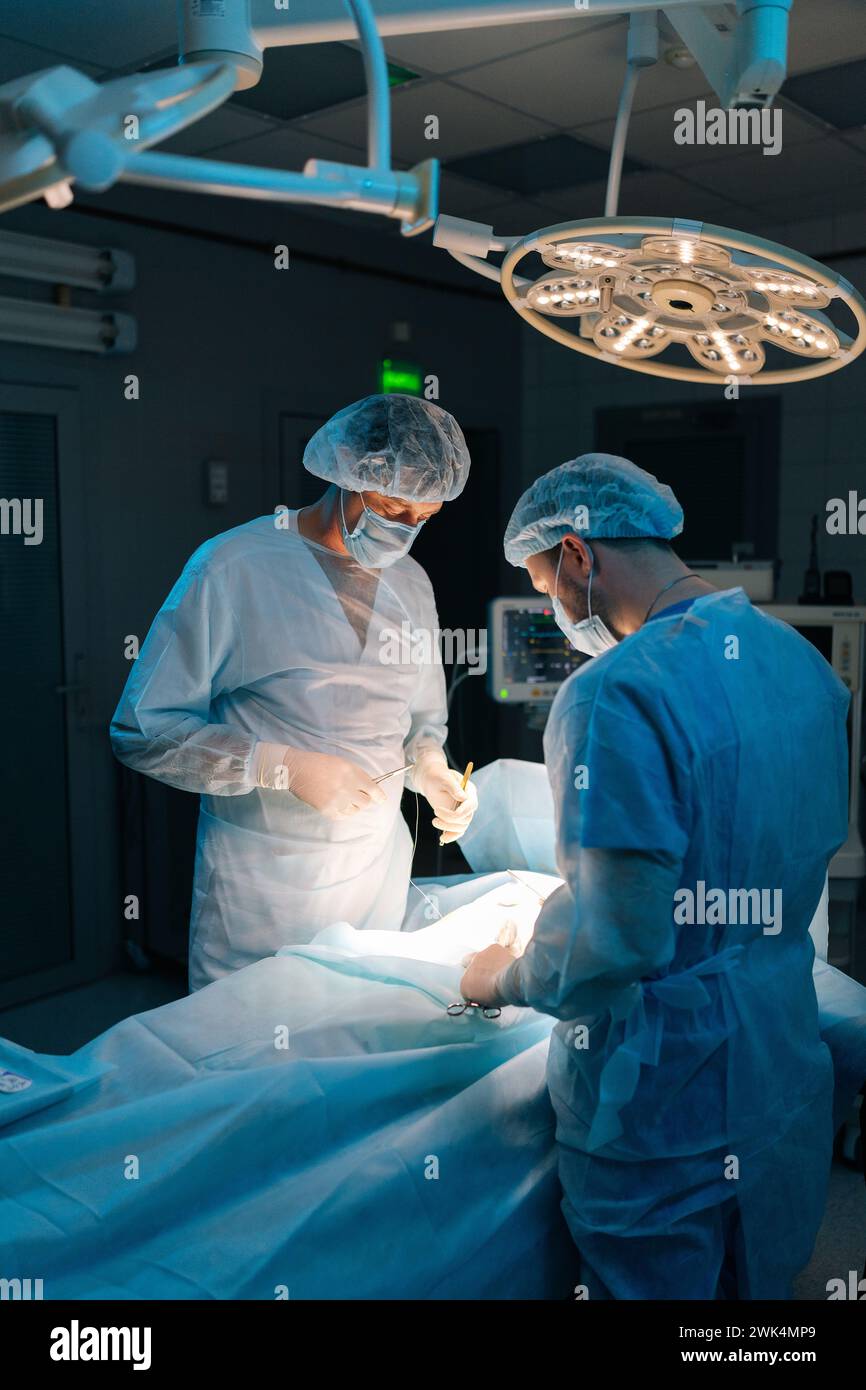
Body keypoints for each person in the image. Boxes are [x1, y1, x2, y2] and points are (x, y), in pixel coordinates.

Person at [461, 452, 850, 1300]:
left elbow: (615, 942)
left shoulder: (615, 692)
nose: (557, 612)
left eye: (547, 587)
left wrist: (503, 976)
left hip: (661, 1091)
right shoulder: (802, 666)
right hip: (780, 1058)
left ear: (577, 554)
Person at [111, 395, 478, 991]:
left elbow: (418, 723)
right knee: (253, 1037)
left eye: (425, 517)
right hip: (265, 887)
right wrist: (281, 765)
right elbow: (143, 730)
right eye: (393, 507)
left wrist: (432, 770)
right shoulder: (235, 566)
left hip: (376, 876)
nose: (407, 529)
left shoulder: (412, 584)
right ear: (349, 476)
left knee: (358, 1029)